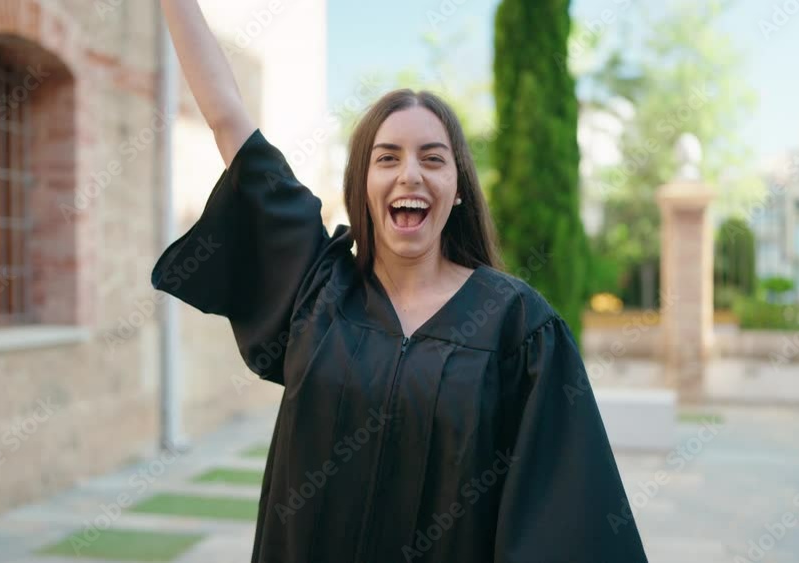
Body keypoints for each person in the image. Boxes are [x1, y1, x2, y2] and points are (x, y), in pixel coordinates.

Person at [153, 1, 649, 561]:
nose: (409, 173)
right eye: (387, 158)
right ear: (362, 183)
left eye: (432, 159)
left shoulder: (519, 328)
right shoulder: (317, 288)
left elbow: (565, 514)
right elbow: (226, 117)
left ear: (457, 188)